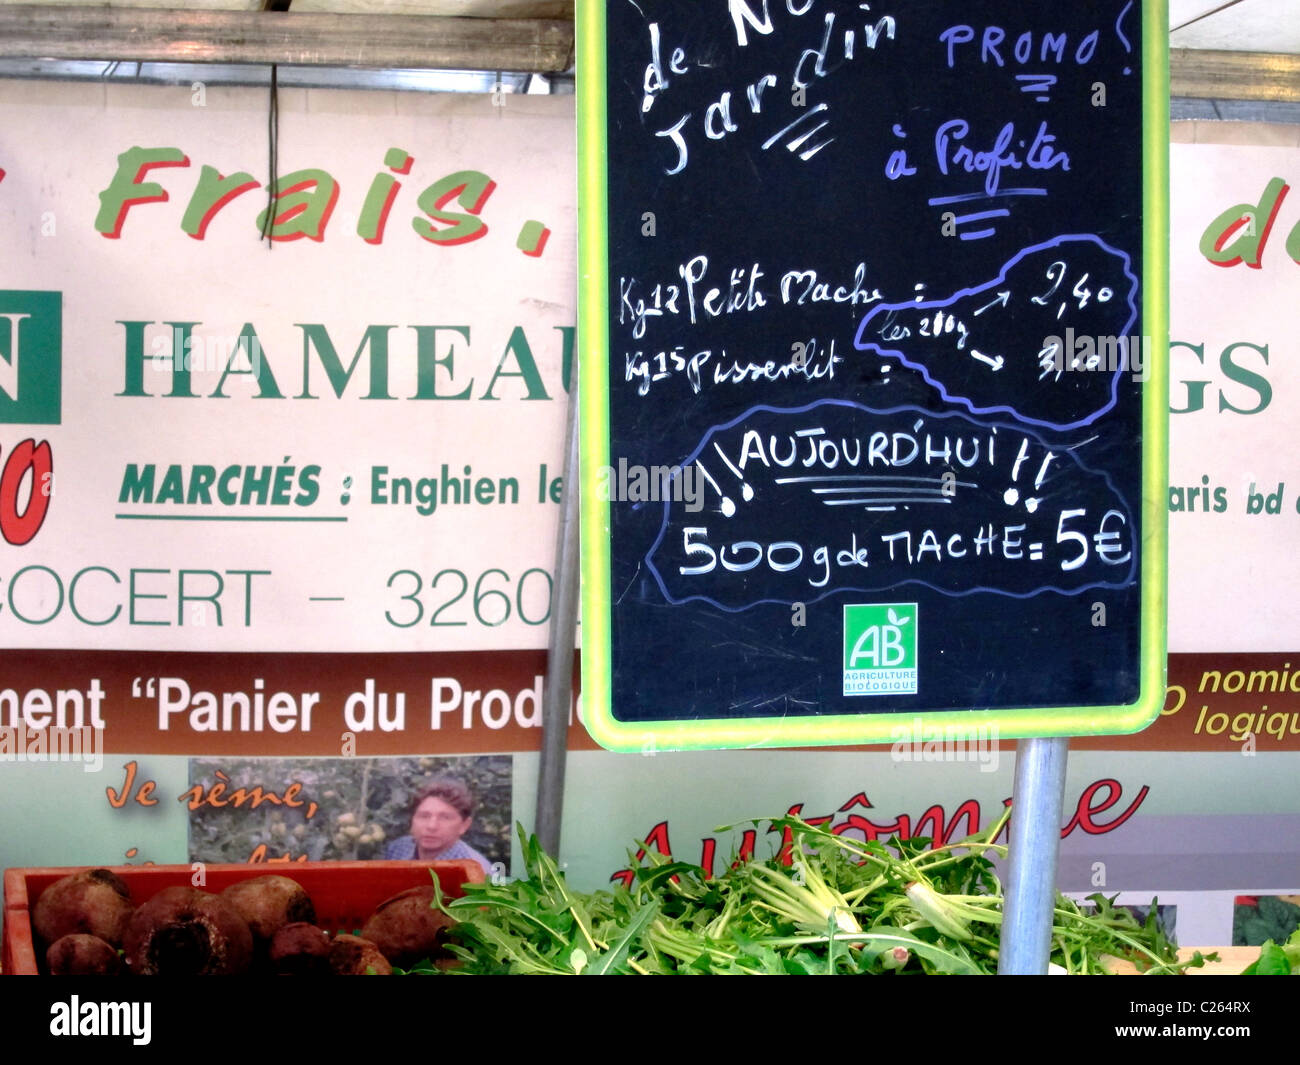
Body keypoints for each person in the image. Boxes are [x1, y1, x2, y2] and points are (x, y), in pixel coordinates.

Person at [384, 776, 493, 875]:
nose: (432, 826)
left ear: (464, 826)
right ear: (412, 819)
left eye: (445, 818)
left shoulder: (479, 872)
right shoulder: (398, 849)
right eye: (424, 816)